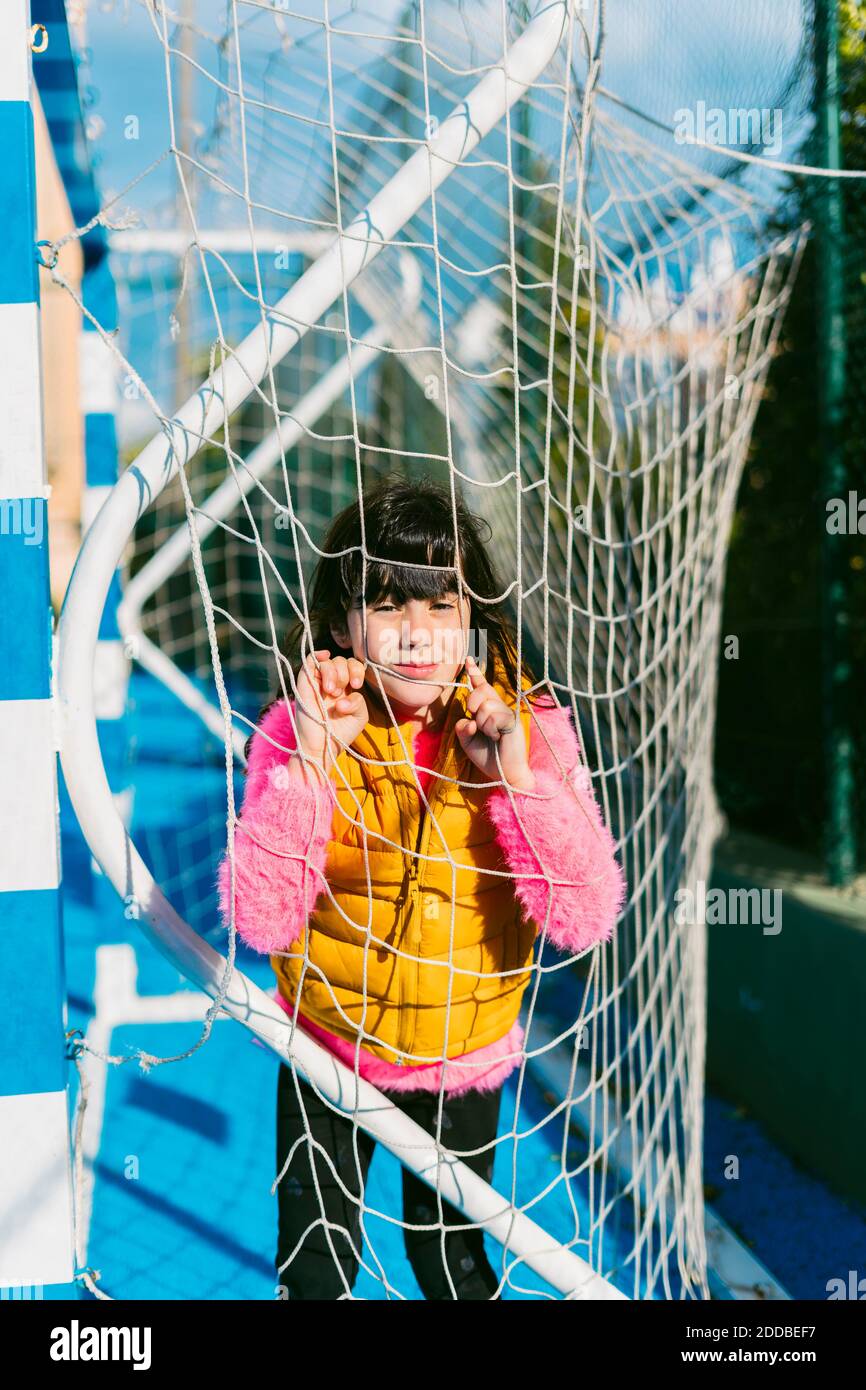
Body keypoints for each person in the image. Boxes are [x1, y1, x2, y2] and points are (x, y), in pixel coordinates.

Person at [217, 474, 626, 1299]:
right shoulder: (297, 730)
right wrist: (313, 765)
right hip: (326, 1051)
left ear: (472, 622)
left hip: (459, 1057)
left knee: (453, 1266)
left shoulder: (529, 726)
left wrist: (516, 781)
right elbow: (260, 919)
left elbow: (583, 915)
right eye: (391, 606)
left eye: (441, 608)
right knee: (314, 1264)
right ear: (341, 623)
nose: (416, 635)